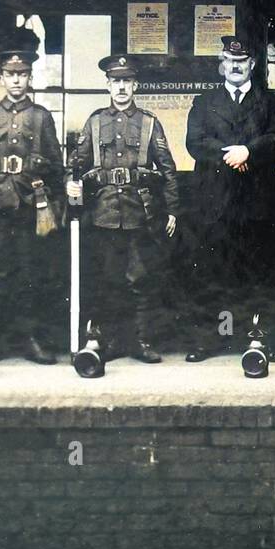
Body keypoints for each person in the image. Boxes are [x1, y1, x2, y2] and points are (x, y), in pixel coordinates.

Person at [66, 55, 179, 363]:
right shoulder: (95, 121)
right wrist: (71, 184)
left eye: (126, 81)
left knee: (140, 279)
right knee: (110, 280)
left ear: (135, 85)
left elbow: (168, 168)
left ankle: (142, 341)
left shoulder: (149, 122)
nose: (121, 87)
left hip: (141, 212)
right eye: (116, 81)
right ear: (108, 86)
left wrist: (171, 210)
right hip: (104, 213)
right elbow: (76, 165)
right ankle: (114, 340)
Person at [184, 35, 275, 363]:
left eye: (242, 62)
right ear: (221, 66)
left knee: (258, 272)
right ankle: (212, 339)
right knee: (213, 271)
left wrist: (249, 152)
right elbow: (195, 142)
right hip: (215, 202)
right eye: (230, 61)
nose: (236, 66)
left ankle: (259, 338)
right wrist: (230, 153)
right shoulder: (203, 103)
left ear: (252, 65)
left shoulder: (271, 103)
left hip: (256, 203)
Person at [0, 35, 65, 364]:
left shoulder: (41, 116)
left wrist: (58, 207)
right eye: (10, 74)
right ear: (2, 77)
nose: (16, 80)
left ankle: (29, 337)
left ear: (29, 78)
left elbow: (57, 165)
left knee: (29, 271)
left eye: (21, 75)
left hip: (30, 205)